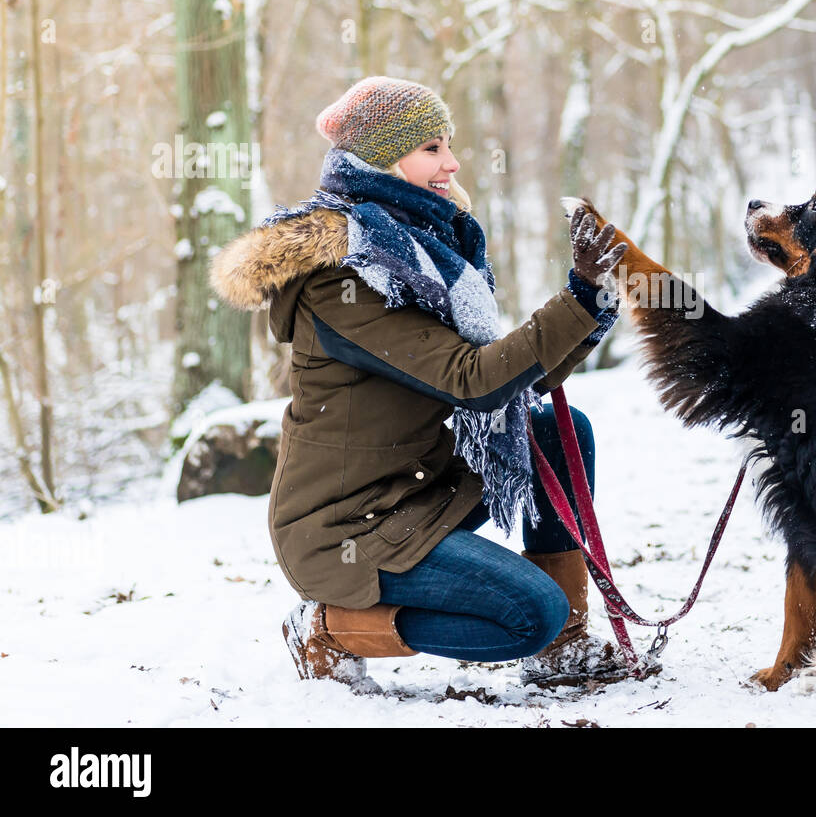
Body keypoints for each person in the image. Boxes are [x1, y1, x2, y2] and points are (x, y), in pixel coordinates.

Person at [211, 75, 634, 693]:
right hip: (347, 529)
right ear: (383, 158)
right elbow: (473, 381)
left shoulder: (420, 253)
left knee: (555, 431)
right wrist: (572, 299)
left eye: (450, 145)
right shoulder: (342, 278)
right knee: (527, 616)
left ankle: (564, 653)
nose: (453, 162)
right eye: (432, 147)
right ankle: (328, 626)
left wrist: (590, 303)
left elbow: (508, 385)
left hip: (421, 489)